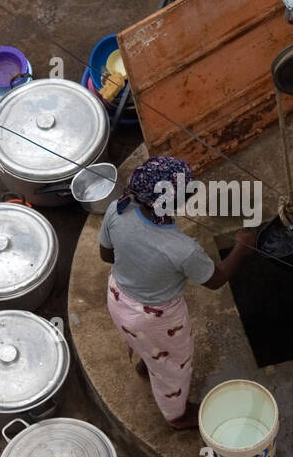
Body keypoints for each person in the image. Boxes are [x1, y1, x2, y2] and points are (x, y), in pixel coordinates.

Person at [99, 156, 257, 429]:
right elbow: (216, 279)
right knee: (174, 366)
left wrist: (140, 260)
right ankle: (177, 415)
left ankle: (146, 365)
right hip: (155, 317)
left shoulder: (118, 209)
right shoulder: (183, 249)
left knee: (147, 346)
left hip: (118, 297)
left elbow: (105, 254)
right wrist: (242, 246)